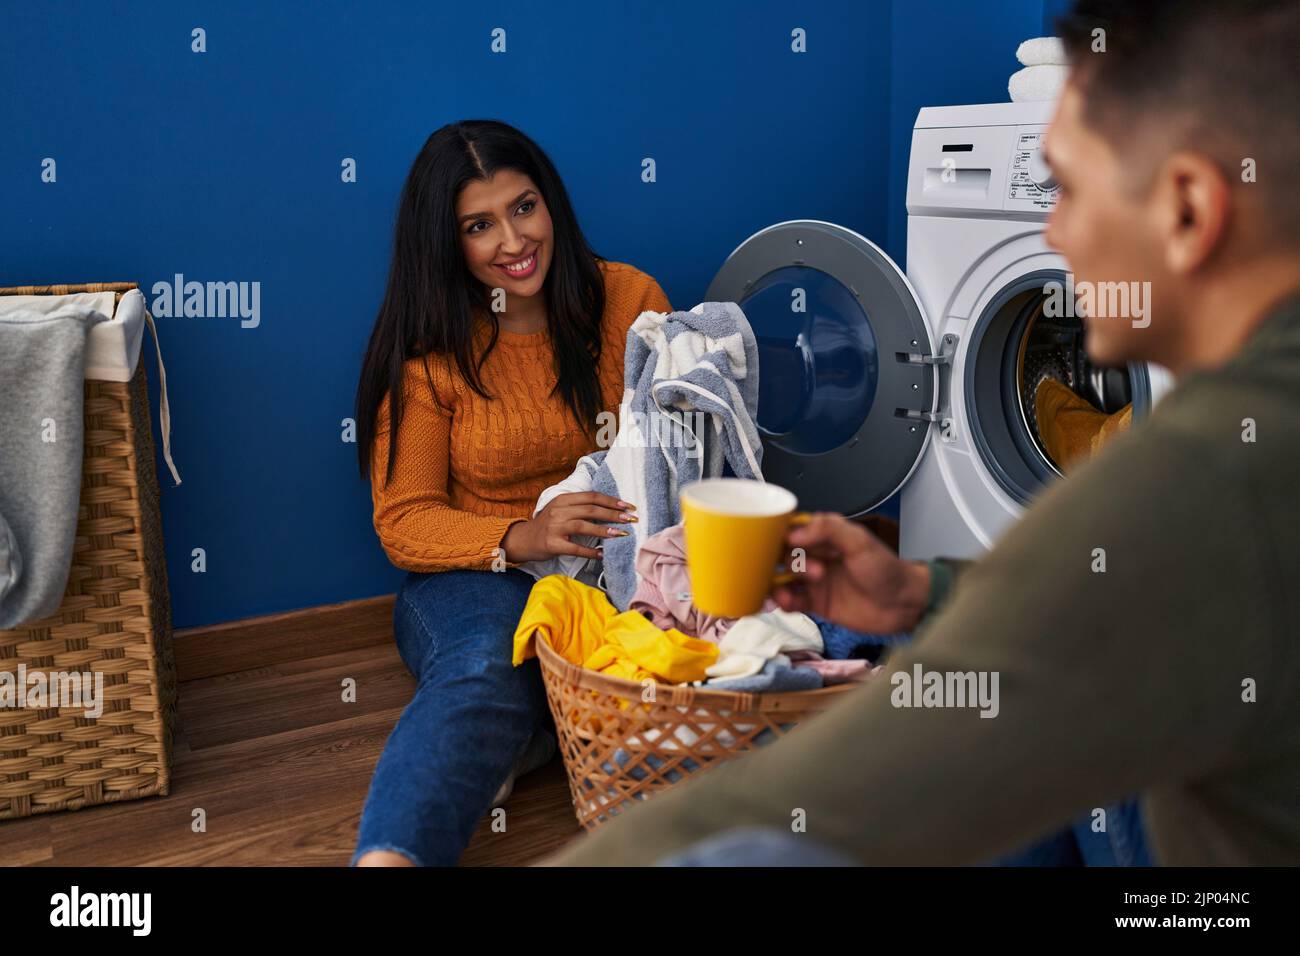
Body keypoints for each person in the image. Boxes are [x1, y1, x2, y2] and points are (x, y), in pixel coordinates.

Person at [543, 0, 1300, 866]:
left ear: (1189, 211)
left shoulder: (1199, 482)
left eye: (1066, 189)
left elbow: (812, 801)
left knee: (771, 849)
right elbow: (1159, 609)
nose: (1051, 230)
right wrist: (921, 594)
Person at [350, 120, 670, 866]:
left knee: (647, 659)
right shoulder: (432, 350)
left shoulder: (631, 300)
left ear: (549, 201)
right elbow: (404, 520)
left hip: (620, 562)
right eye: (479, 225)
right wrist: (523, 535)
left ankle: (516, 747)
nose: (513, 241)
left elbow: (675, 449)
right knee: (493, 663)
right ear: (447, 242)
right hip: (479, 579)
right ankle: (390, 858)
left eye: (524, 207)